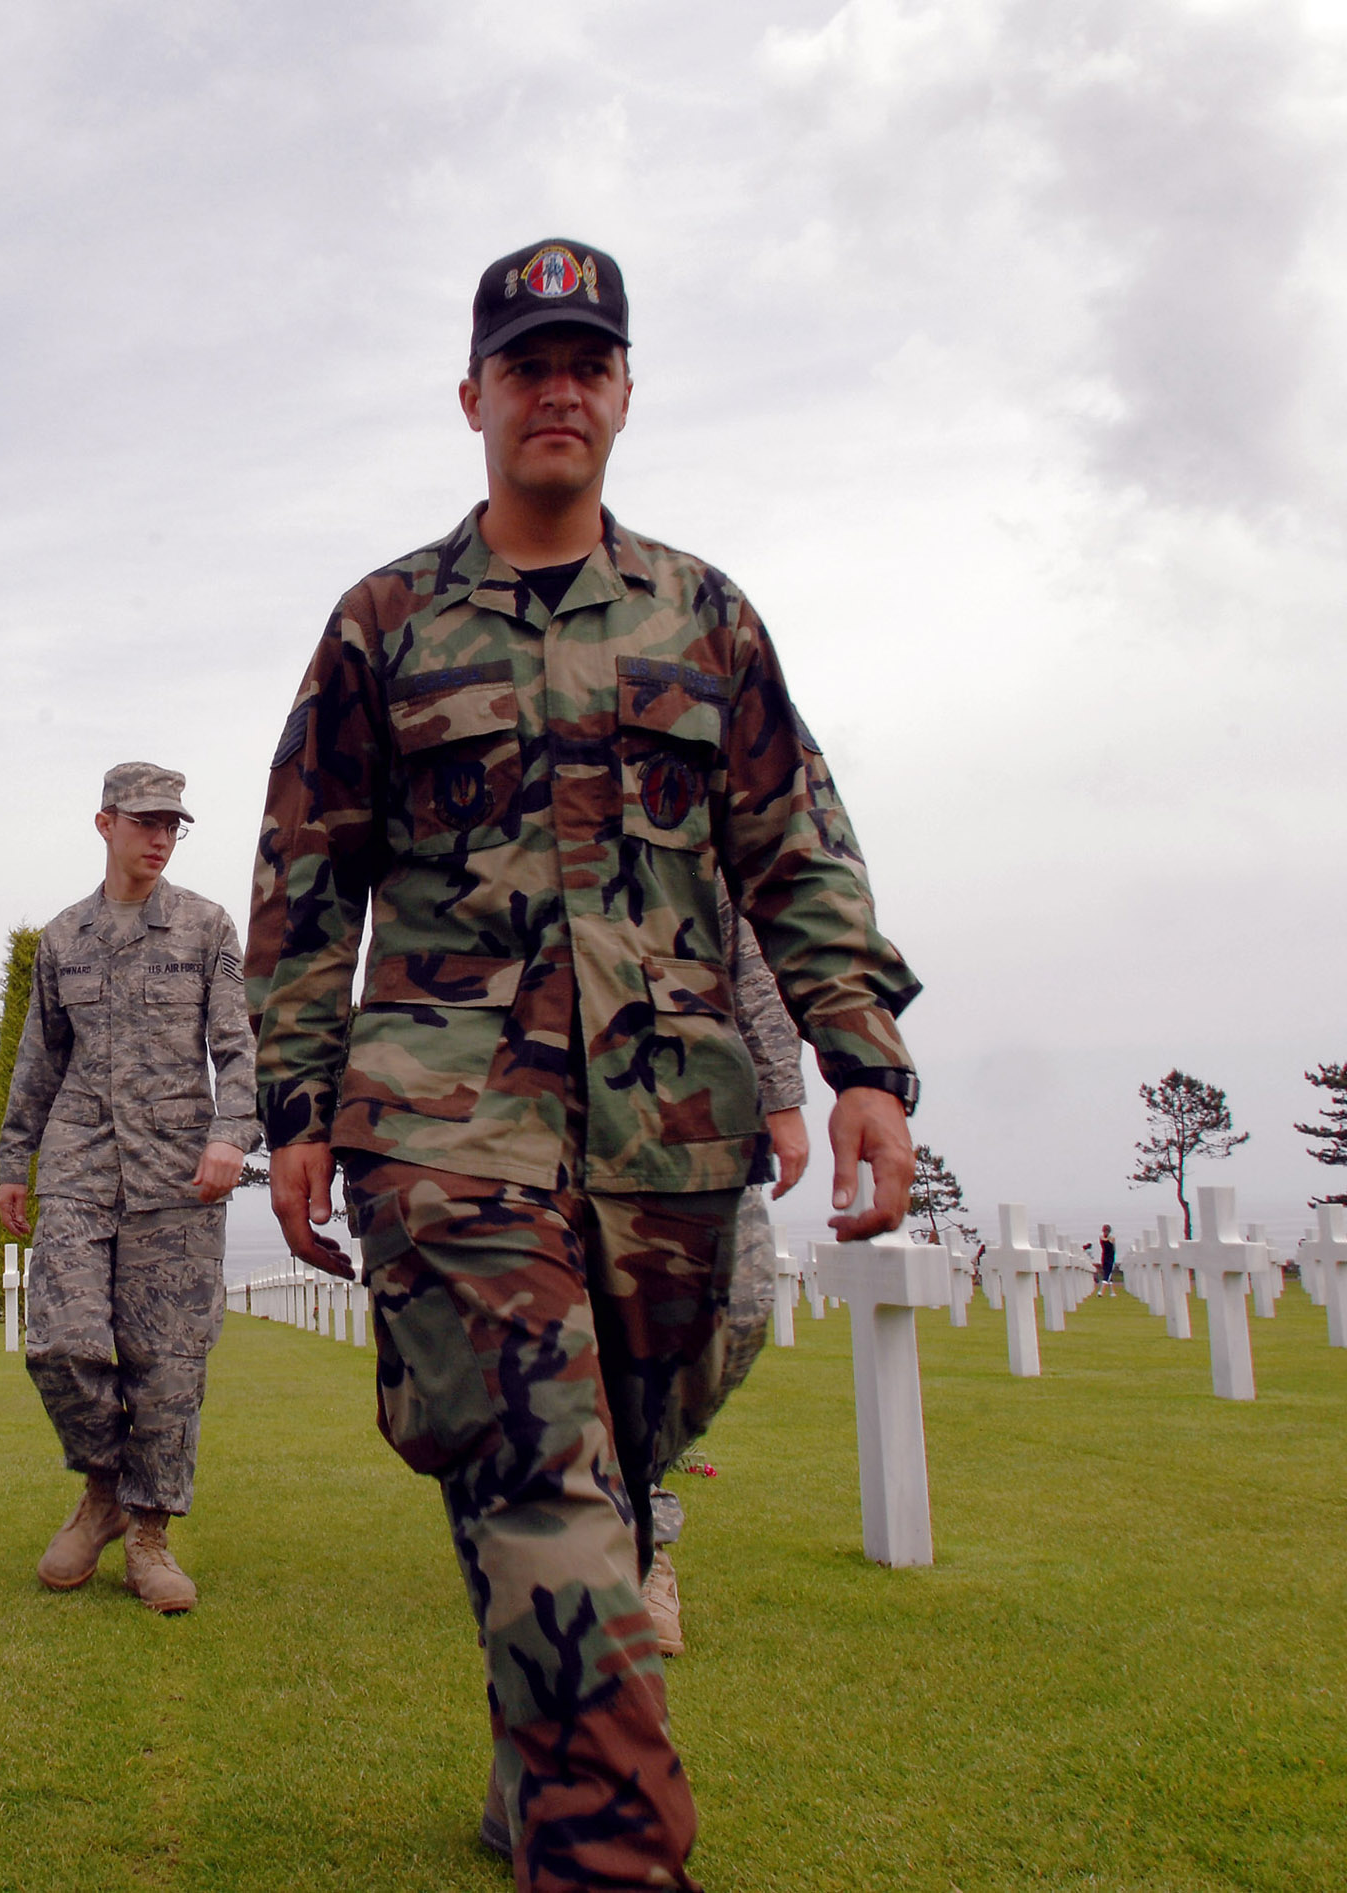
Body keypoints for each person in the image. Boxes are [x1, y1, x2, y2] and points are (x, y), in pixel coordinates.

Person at [245, 237, 922, 1889]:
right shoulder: (383, 623)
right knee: (543, 1476)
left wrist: (860, 1059)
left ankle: (528, 1775)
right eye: (526, 364)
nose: (557, 390)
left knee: (590, 1489)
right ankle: (612, 1853)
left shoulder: (706, 616)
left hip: (668, 1137)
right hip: (447, 1122)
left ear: (623, 393)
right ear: (470, 397)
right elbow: (304, 881)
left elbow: (796, 851)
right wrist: (297, 1105)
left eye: (585, 364)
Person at [0, 764, 262, 1613]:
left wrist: (232, 1134)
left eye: (172, 823)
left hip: (178, 1171)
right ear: (105, 822)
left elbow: (237, 1046)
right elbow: (39, 1060)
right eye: (145, 820)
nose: (160, 836)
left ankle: (147, 1534)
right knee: (59, 1340)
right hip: (80, 1162)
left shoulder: (207, 927)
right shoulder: (63, 938)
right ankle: (106, 1485)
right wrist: (14, 1161)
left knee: (168, 1365)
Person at [644, 883, 812, 1657]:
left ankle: (622, 1500)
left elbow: (743, 952)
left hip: (698, 1106)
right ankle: (638, 1550)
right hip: (548, 1109)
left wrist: (782, 1094)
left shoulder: (689, 825)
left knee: (737, 1313)